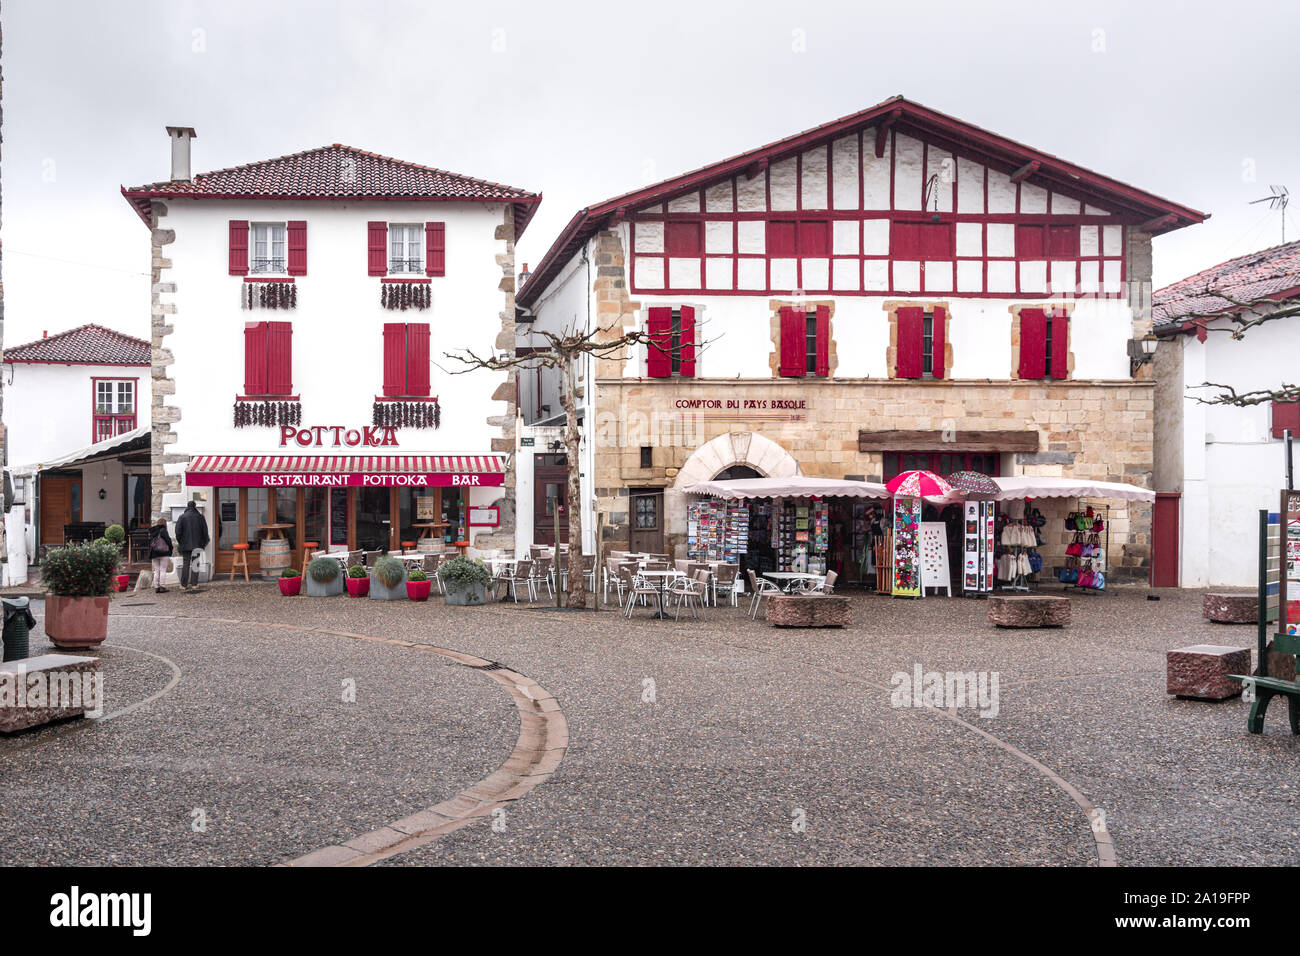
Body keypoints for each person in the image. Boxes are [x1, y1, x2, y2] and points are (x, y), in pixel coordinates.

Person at [174, 500, 210, 591]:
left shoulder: (182, 517)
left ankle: (183, 585)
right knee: (195, 564)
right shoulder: (200, 517)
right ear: (195, 506)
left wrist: (181, 542)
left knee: (186, 564)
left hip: (185, 545)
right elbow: (205, 532)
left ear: (187, 506)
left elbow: (178, 532)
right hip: (197, 544)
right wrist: (204, 543)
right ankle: (194, 584)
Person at [148, 516, 174, 594]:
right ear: (165, 524)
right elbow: (168, 540)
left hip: (154, 553)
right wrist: (171, 548)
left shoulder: (153, 531)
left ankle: (156, 587)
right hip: (164, 552)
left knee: (156, 570)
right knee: (163, 570)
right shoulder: (163, 530)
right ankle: (162, 586)